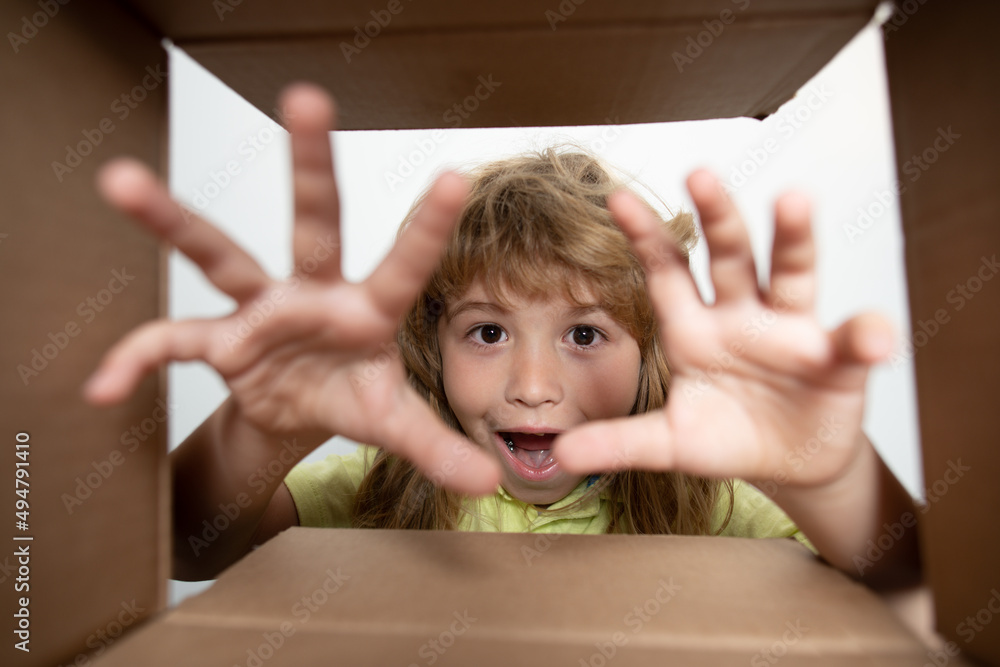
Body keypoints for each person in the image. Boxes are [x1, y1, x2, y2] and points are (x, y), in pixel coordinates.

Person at [82, 83, 921, 589]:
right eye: (487, 330)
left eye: (585, 334)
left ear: (653, 354)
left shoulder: (713, 506)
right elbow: (183, 548)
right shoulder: (384, 491)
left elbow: (912, 585)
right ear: (428, 347)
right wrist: (262, 425)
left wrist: (832, 474)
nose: (531, 383)